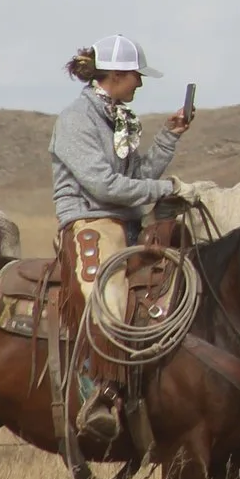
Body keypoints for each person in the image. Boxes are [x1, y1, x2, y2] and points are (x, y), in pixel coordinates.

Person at [50, 35, 195, 442]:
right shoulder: (76, 120)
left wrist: (169, 136)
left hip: (127, 222)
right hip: (90, 222)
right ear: (115, 75)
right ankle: (99, 395)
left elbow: (135, 179)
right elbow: (103, 186)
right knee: (109, 296)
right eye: (136, 76)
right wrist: (166, 190)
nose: (140, 85)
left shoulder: (120, 118)